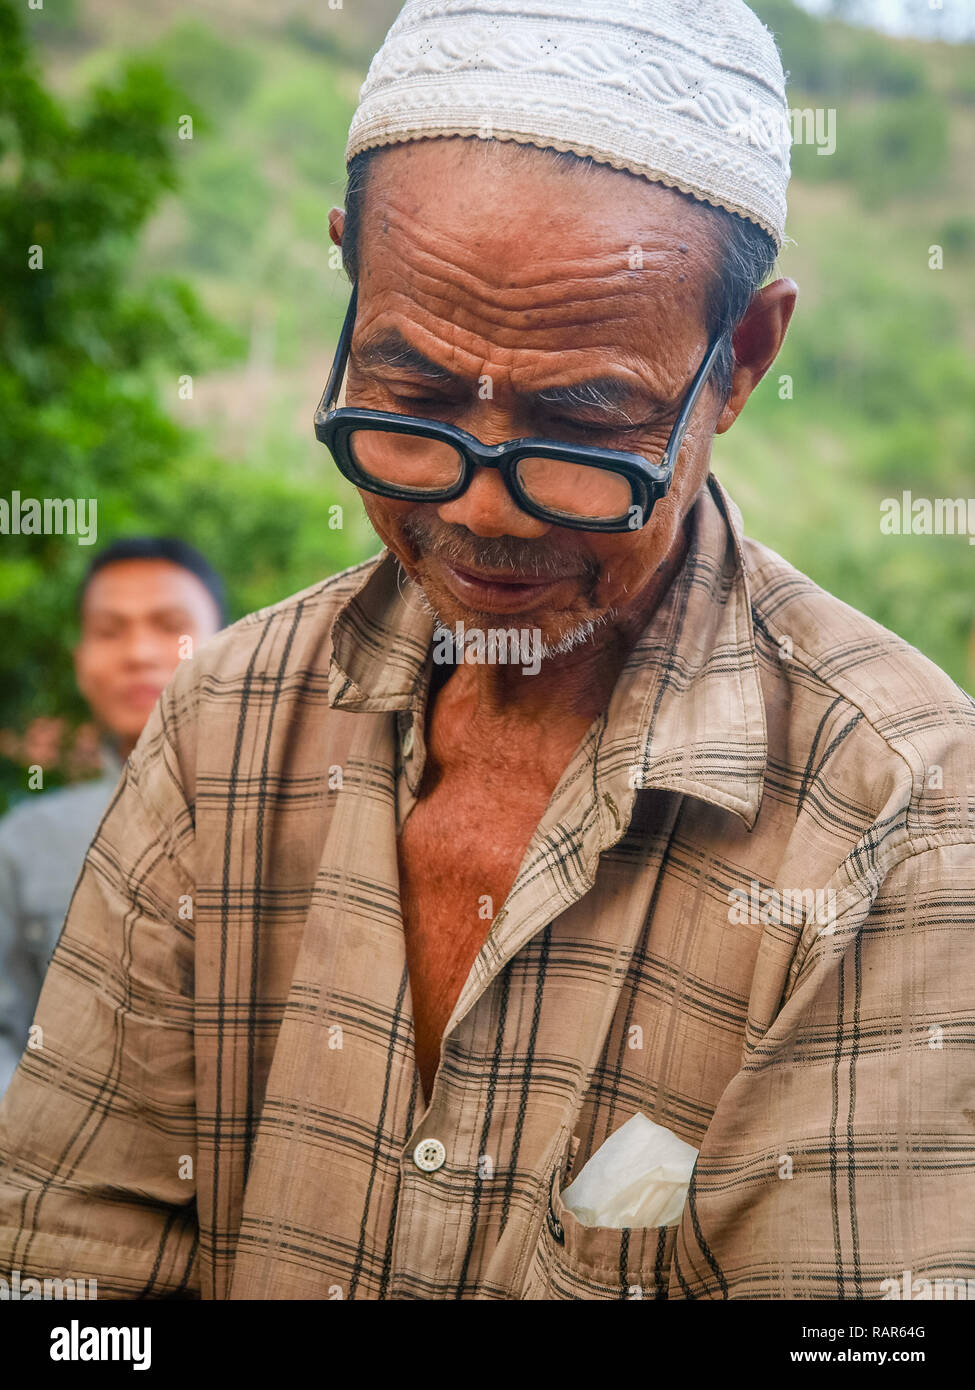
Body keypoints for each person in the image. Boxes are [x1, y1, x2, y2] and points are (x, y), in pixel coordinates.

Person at [1, 0, 973, 1301]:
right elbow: (71, 1292)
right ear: (347, 270)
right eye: (407, 400)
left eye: (579, 427)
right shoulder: (224, 726)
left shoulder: (898, 816)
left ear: (739, 363)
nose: (479, 509)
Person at [0, 537, 225, 1094]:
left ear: (229, 644)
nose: (138, 653)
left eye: (169, 624)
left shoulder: (309, 814)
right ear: (81, 662)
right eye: (109, 630)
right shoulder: (27, 842)